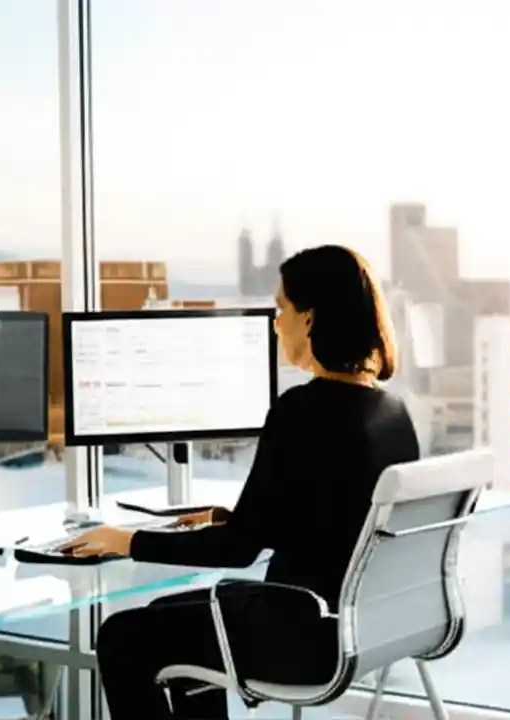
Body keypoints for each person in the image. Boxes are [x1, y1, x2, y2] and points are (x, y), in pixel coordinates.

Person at [57, 245, 421, 719]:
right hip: (363, 628)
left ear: (310, 318)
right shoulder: (394, 414)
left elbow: (236, 552)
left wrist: (125, 541)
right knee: (175, 616)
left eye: (281, 309)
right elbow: (337, 518)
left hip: (300, 634)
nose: (275, 323)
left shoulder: (301, 411)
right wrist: (238, 518)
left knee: (122, 635)